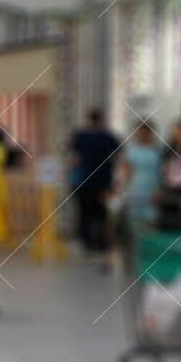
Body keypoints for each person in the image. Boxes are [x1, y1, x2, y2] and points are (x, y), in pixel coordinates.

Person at [68, 108, 120, 271]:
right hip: (103, 182)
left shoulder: (80, 136)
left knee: (84, 213)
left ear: (89, 119)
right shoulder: (108, 137)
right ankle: (101, 244)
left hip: (83, 182)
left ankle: (88, 244)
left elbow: (74, 159)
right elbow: (118, 155)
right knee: (101, 215)